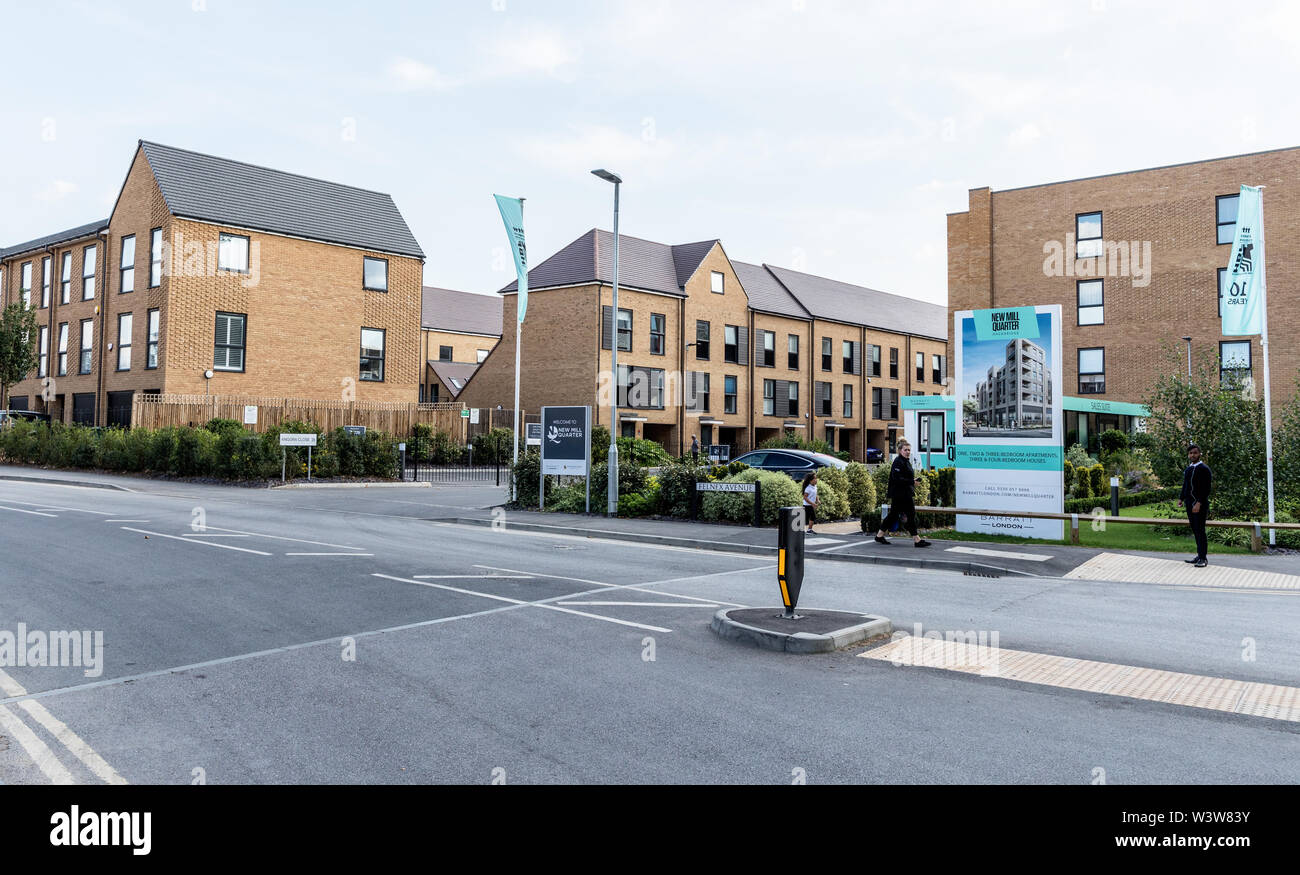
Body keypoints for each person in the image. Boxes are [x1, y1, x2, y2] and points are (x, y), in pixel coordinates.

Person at [875, 439, 930, 547]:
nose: (908, 452)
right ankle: (917, 540)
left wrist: (913, 480)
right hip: (900, 494)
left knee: (894, 515)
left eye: (909, 450)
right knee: (909, 515)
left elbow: (904, 477)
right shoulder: (898, 462)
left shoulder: (905, 461)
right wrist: (911, 482)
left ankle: (879, 536)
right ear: (900, 450)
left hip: (905, 493)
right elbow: (896, 479)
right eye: (905, 450)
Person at [1180, 443, 1212, 567]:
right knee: (1195, 530)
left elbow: (1206, 488)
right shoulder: (1188, 469)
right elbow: (1185, 485)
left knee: (1200, 530)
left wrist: (1199, 502)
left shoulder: (1204, 469)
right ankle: (1199, 555)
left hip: (1200, 504)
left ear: (1199, 454)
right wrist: (1181, 498)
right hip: (1189, 503)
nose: (1192, 455)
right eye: (1190, 453)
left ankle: (1203, 558)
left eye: (1195, 453)